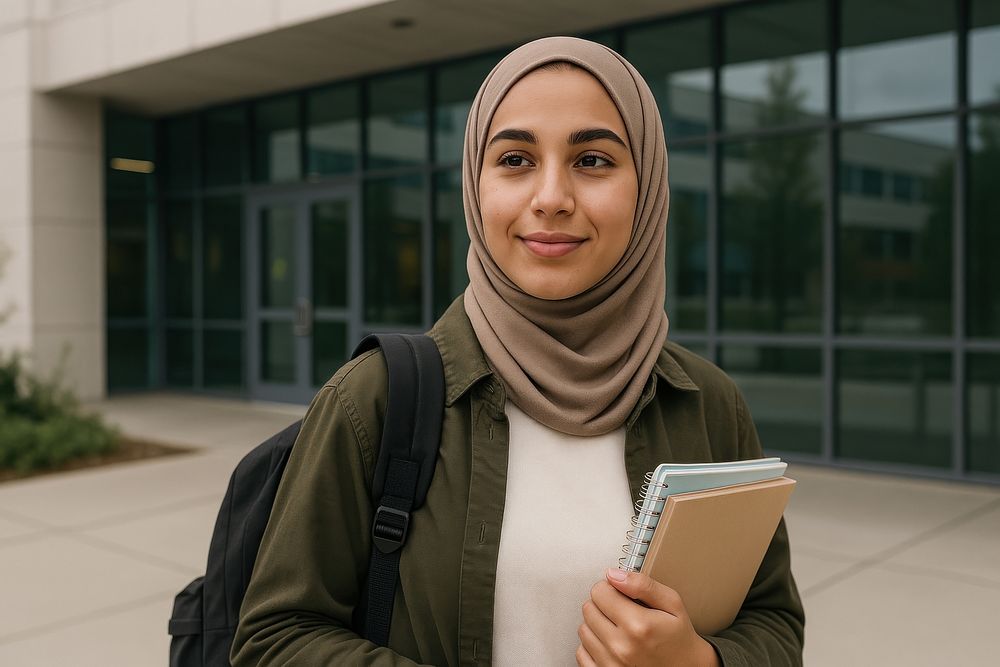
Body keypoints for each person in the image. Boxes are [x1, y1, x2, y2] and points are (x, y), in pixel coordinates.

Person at [232, 36, 804, 666]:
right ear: (475, 188)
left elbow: (773, 622)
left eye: (592, 160)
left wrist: (701, 662)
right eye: (514, 159)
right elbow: (274, 640)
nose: (551, 196)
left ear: (648, 187)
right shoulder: (375, 399)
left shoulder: (708, 404)